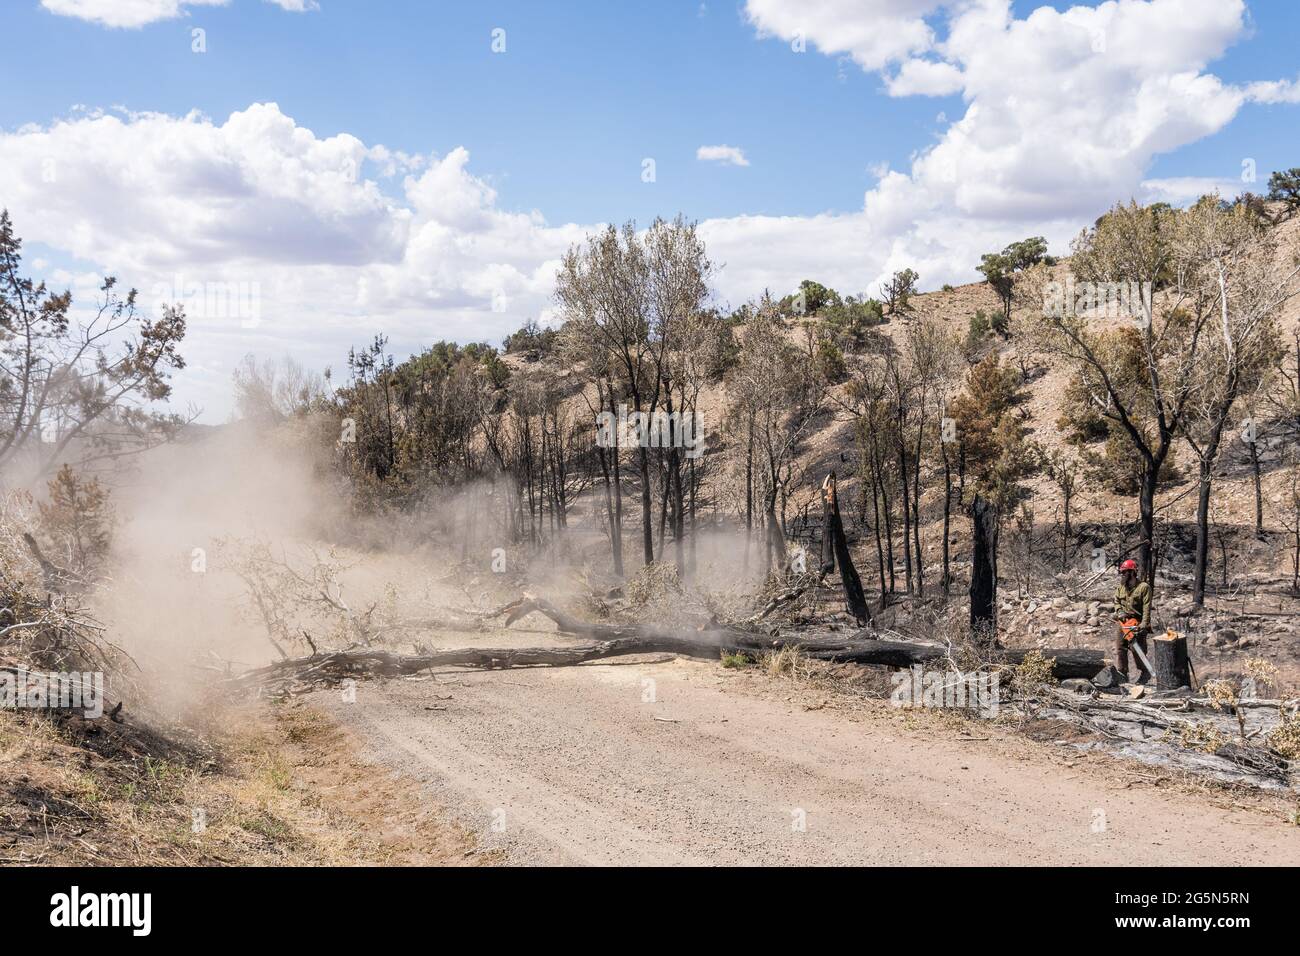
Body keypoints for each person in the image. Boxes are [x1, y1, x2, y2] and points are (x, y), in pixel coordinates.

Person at [1114, 558, 1152, 683]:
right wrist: (1119, 611)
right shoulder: (1121, 588)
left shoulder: (1143, 587)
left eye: (1125, 572)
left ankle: (1145, 674)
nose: (1123, 575)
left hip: (1137, 622)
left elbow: (1147, 607)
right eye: (1122, 572)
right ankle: (1122, 674)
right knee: (1120, 648)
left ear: (1132, 572)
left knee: (1137, 649)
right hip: (1124, 622)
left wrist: (1143, 625)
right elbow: (1116, 601)